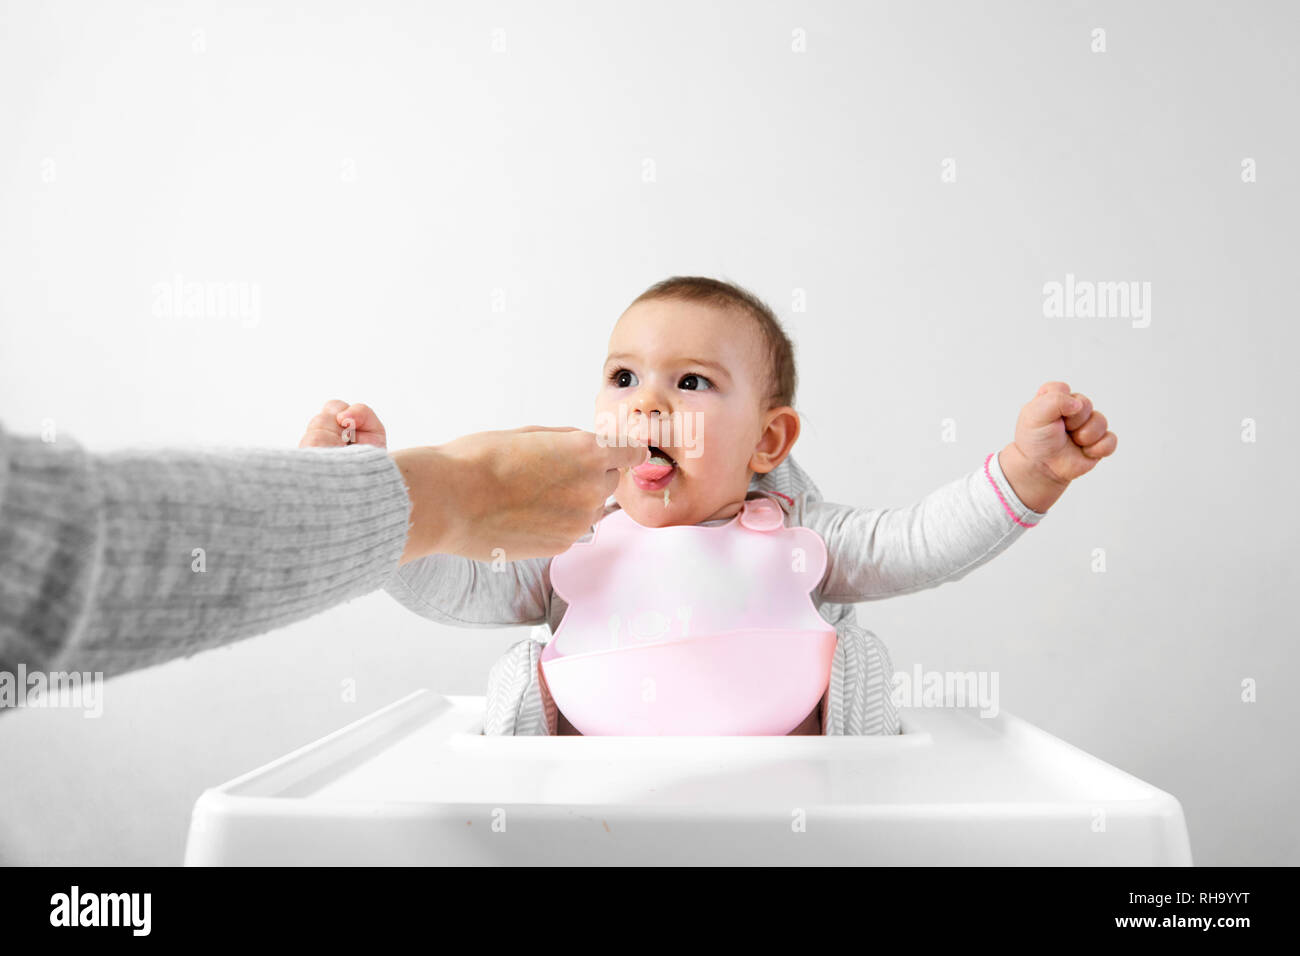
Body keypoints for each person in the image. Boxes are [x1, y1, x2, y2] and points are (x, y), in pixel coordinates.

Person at [0, 416, 642, 682]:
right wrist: (373, 486)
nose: (647, 400)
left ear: (752, 441)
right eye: (622, 376)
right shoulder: (582, 544)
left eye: (692, 382)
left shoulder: (751, 538)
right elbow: (465, 582)